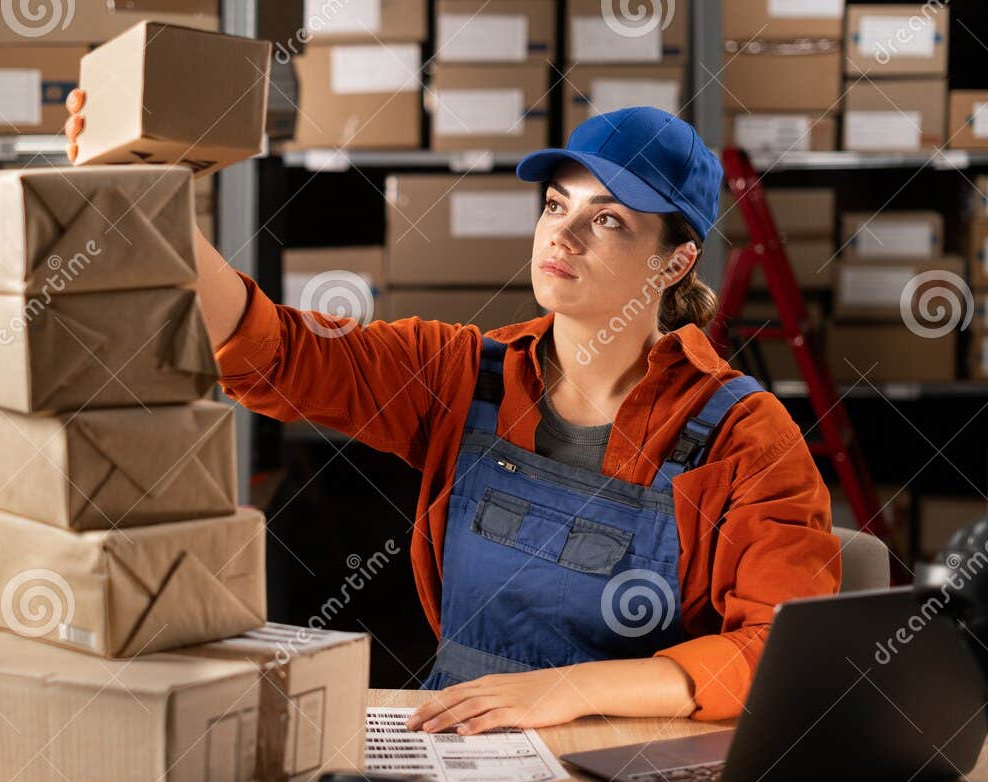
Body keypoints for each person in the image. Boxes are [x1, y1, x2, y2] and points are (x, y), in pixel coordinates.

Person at [64, 95, 841, 733]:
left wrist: (571, 691)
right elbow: (278, 352)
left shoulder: (743, 436)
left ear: (675, 261)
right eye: (555, 204)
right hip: (461, 740)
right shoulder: (462, 375)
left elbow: (782, 652)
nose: (561, 234)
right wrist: (152, 194)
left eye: (608, 220)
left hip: (631, 768)